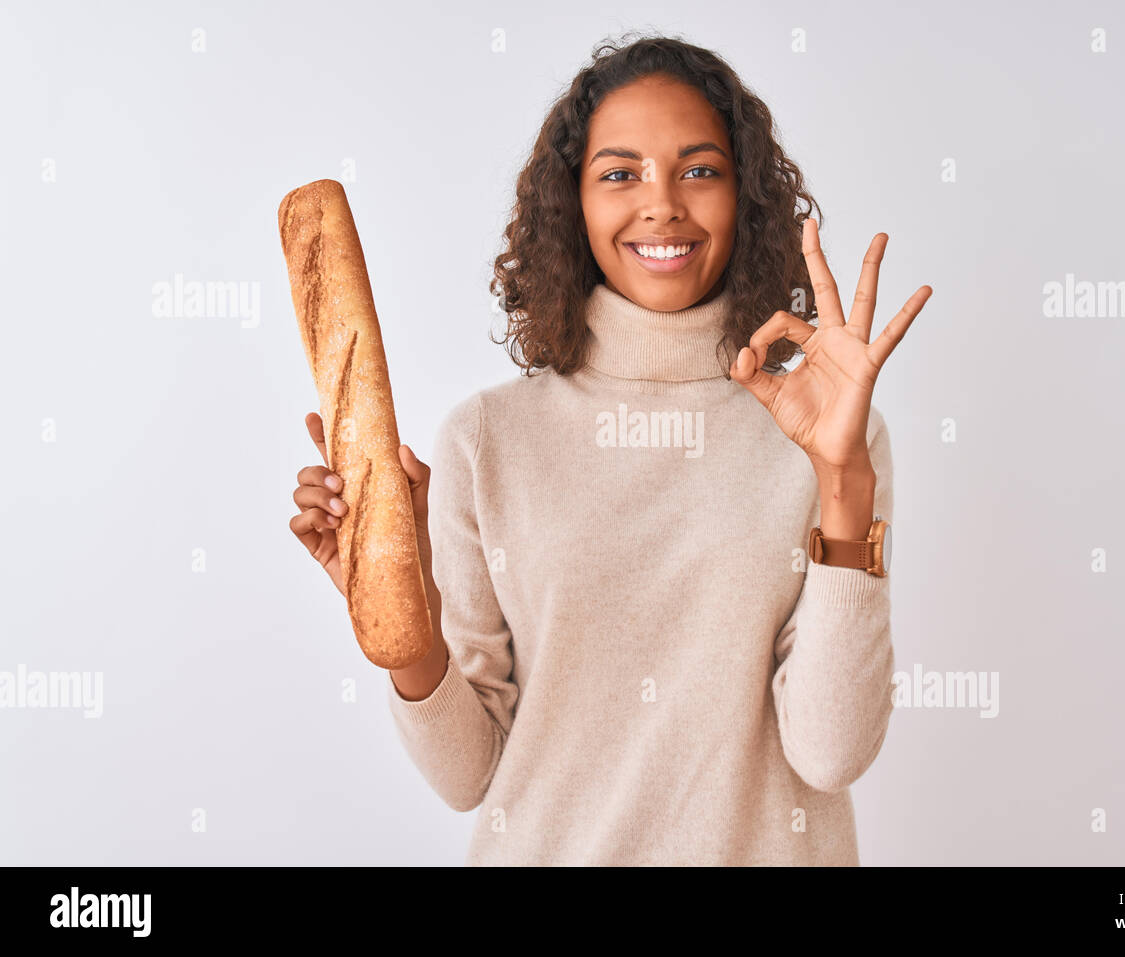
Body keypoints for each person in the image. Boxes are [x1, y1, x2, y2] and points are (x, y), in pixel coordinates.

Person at [290, 33, 931, 865]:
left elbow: (832, 752)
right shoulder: (488, 440)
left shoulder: (825, 432)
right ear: (573, 205)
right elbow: (468, 775)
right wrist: (410, 637)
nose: (661, 203)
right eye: (619, 174)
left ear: (746, 199)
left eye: (699, 169)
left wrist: (843, 479)